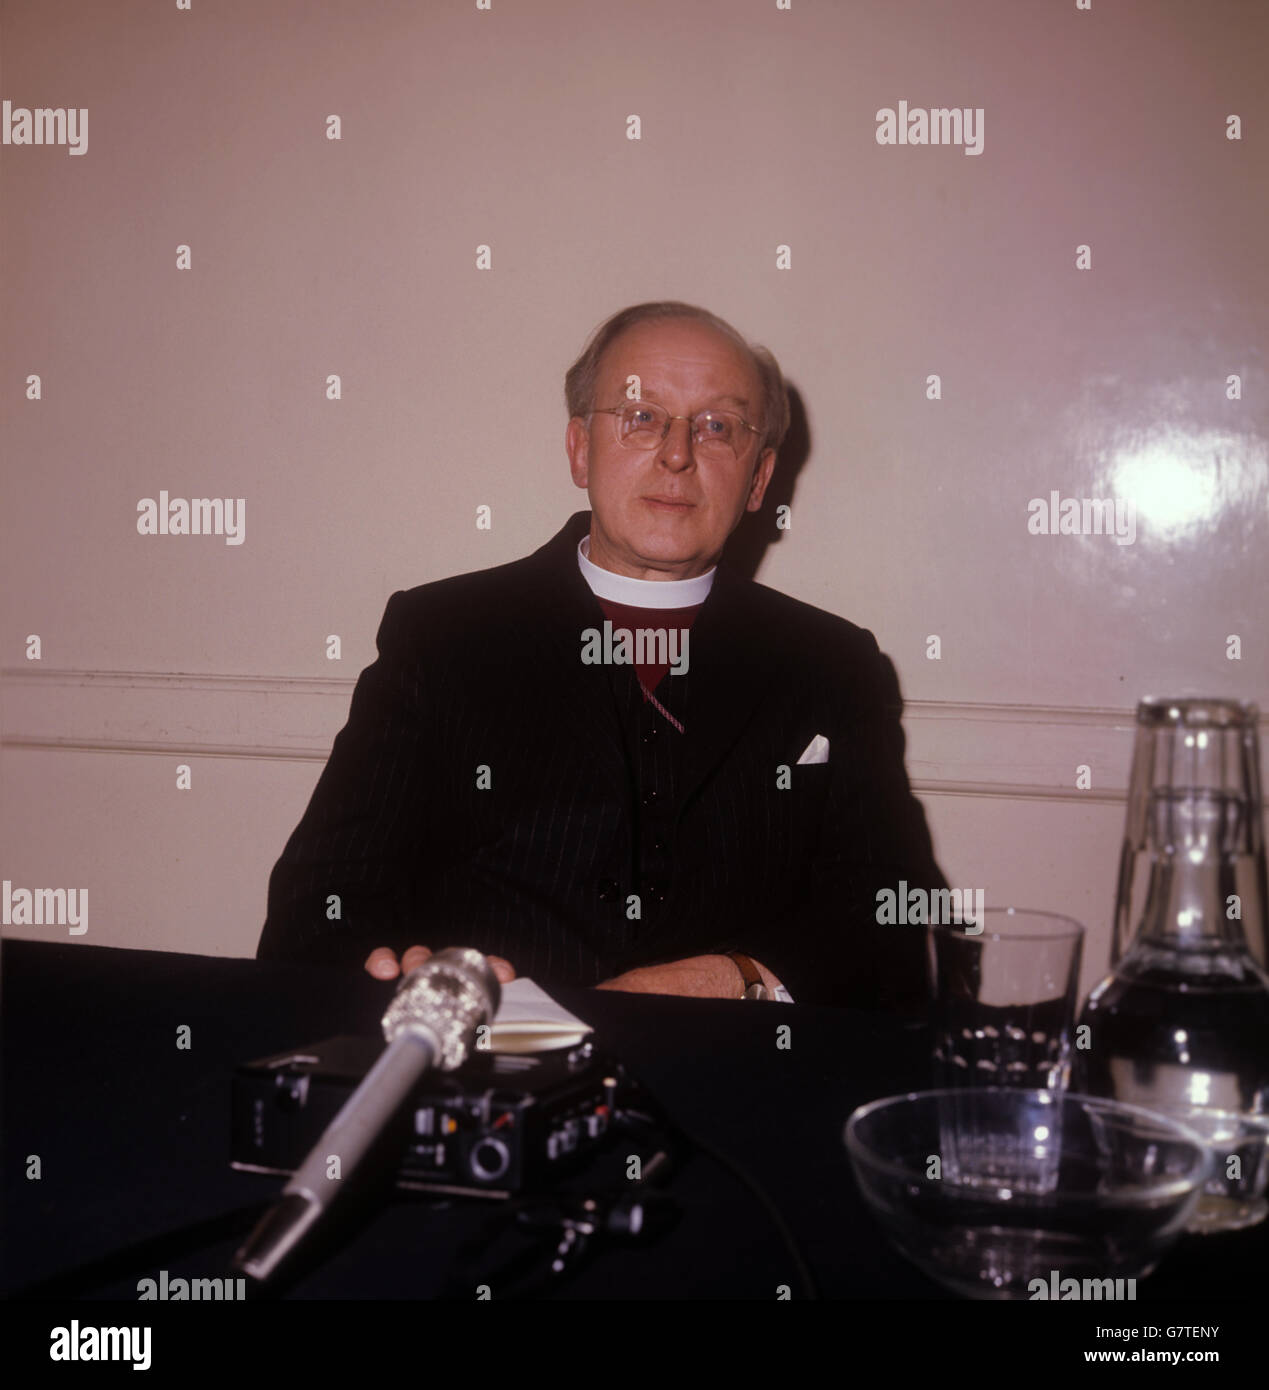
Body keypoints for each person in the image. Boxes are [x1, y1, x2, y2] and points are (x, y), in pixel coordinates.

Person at [256, 301, 946, 1011]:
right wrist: (397, 973)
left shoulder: (833, 664)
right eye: (641, 417)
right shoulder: (439, 635)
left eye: (717, 428)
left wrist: (734, 977)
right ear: (580, 448)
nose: (677, 455)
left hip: (732, 1087)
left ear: (759, 479)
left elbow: (893, 920)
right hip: (498, 1086)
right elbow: (320, 904)